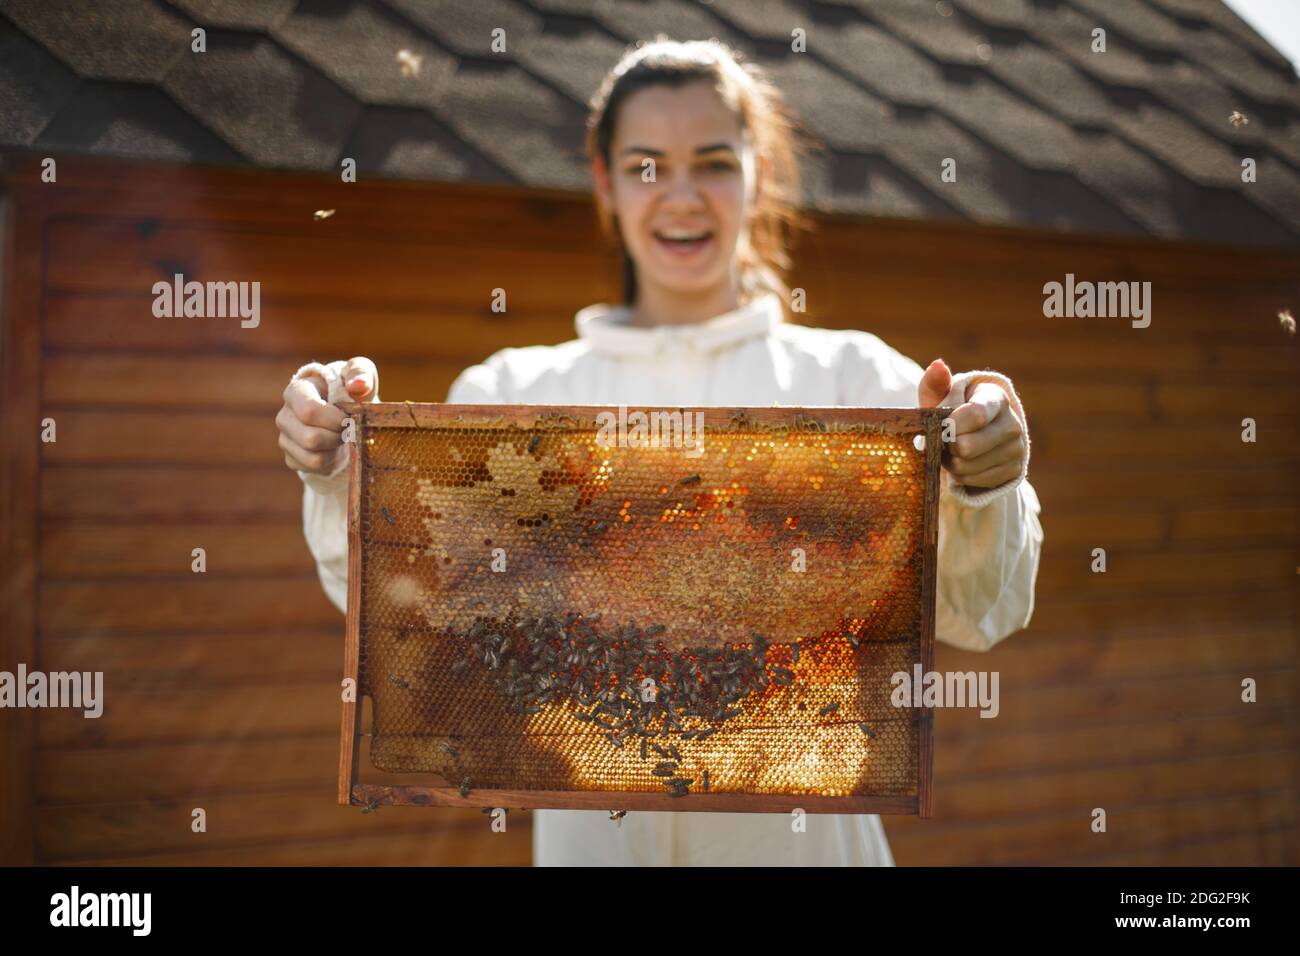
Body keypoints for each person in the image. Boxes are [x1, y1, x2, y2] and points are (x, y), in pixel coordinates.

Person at [275, 38, 1043, 866]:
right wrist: (340, 468)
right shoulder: (506, 394)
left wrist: (980, 481)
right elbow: (416, 605)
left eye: (713, 162)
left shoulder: (857, 377)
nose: (680, 196)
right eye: (647, 165)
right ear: (606, 183)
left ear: (759, 175)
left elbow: (981, 615)